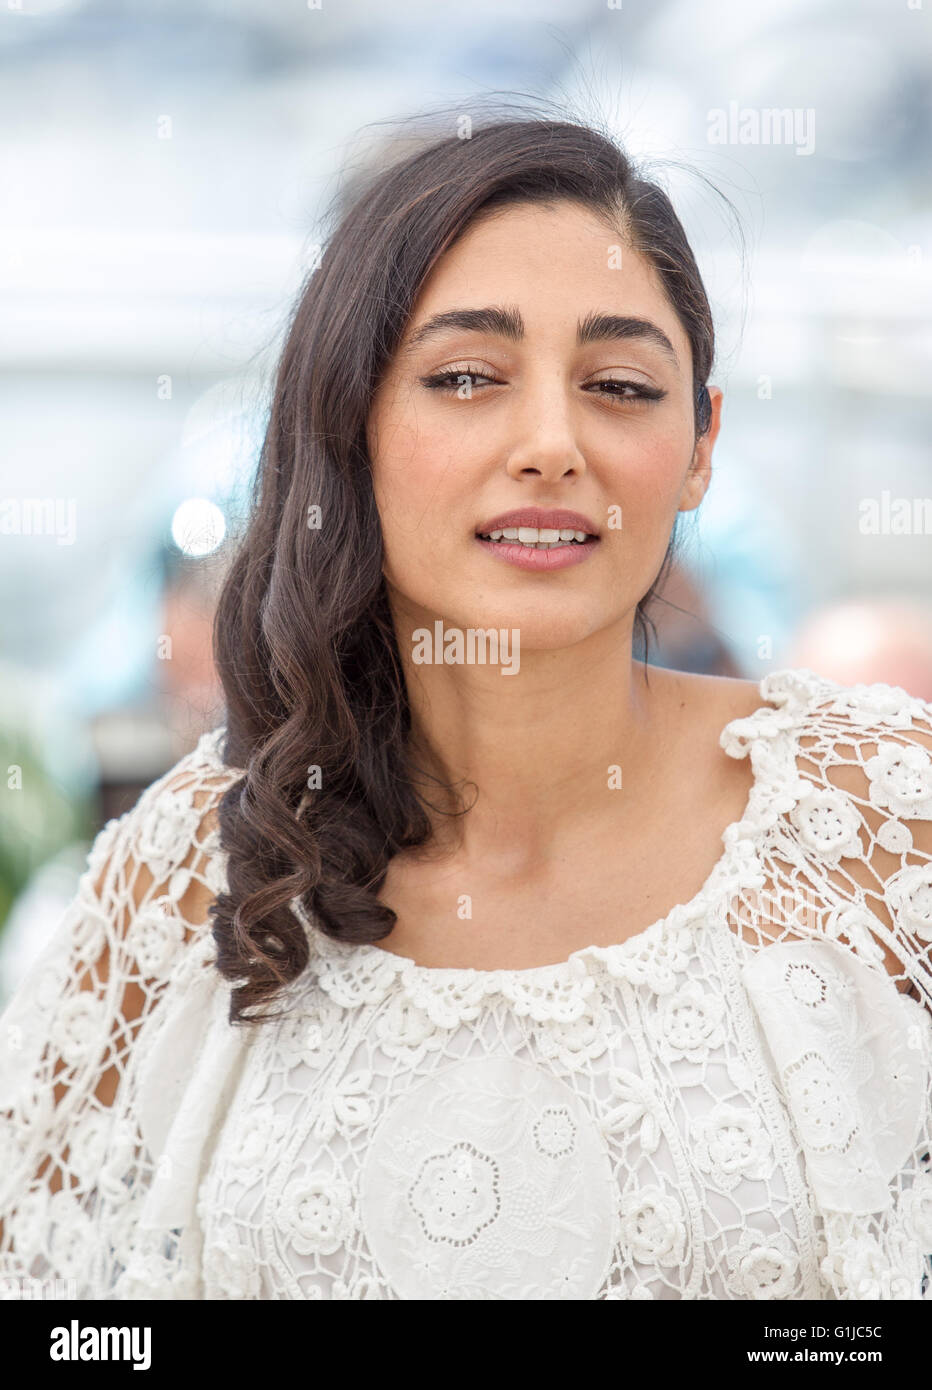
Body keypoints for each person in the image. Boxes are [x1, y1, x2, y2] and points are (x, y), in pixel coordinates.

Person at [1, 111, 930, 1303]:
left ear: (698, 446)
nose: (550, 443)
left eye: (617, 384)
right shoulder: (191, 873)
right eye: (464, 379)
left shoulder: (881, 825)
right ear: (348, 427)